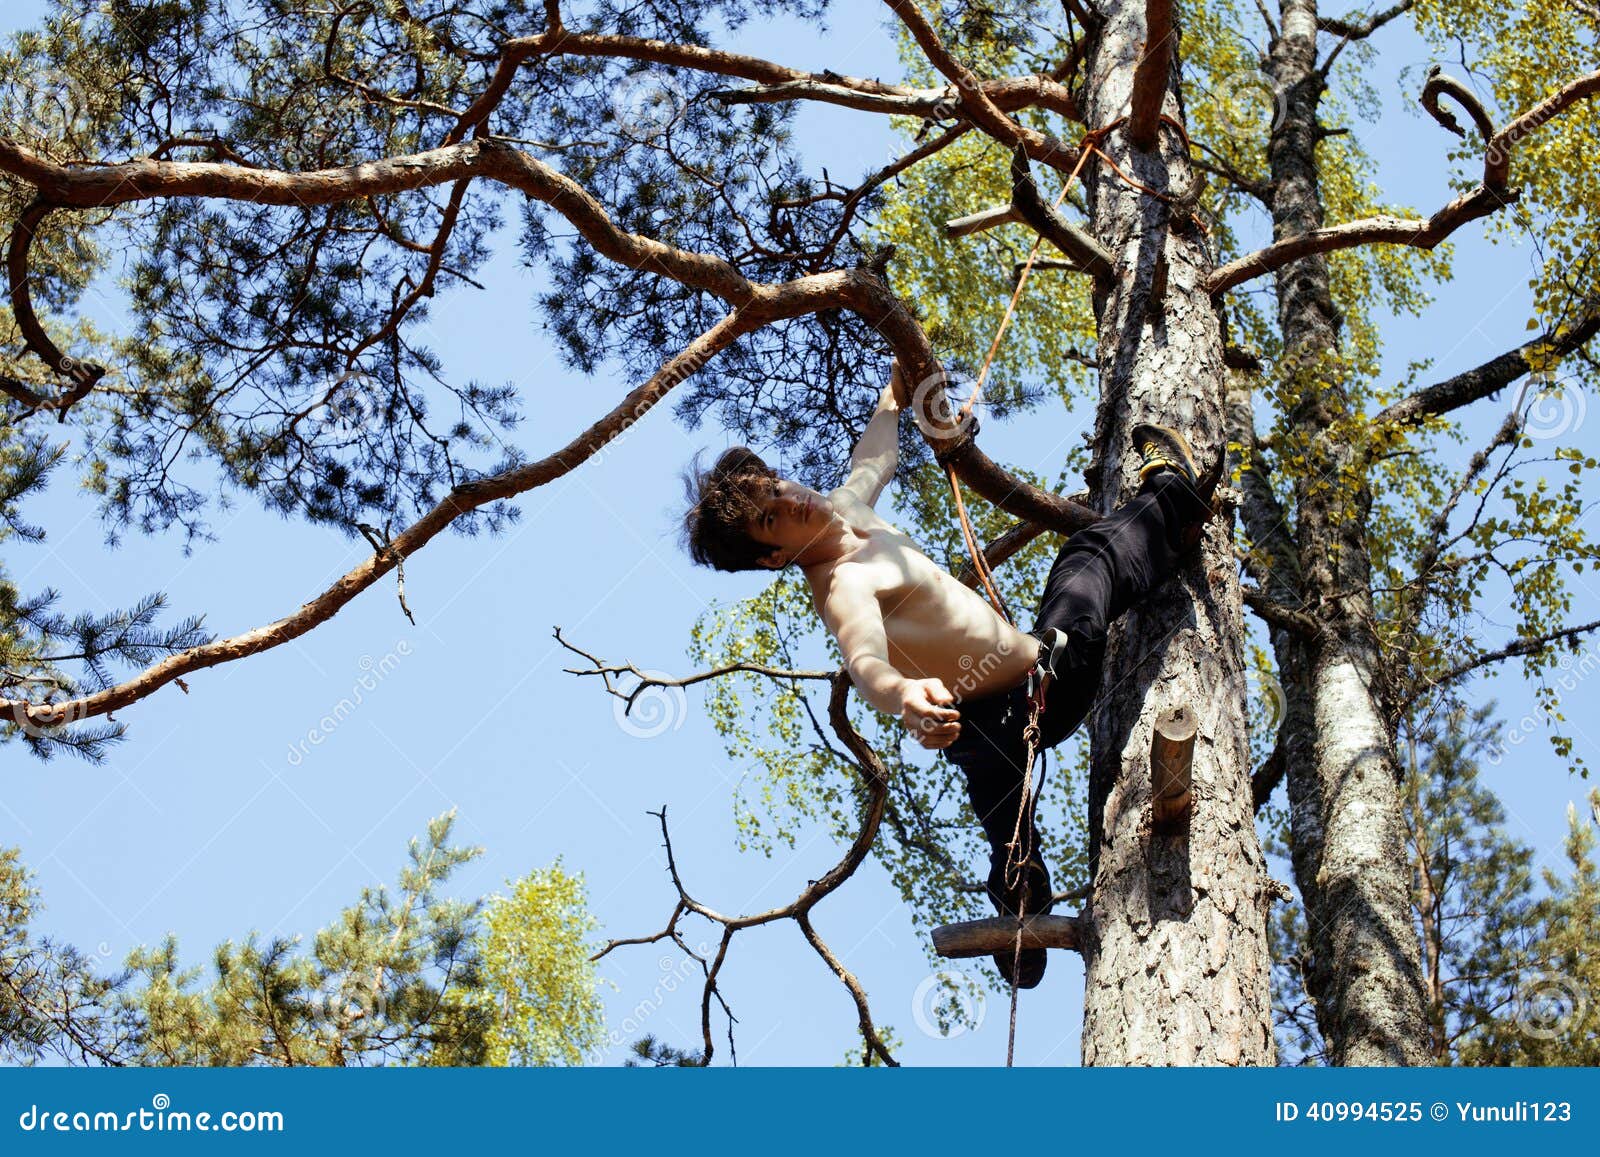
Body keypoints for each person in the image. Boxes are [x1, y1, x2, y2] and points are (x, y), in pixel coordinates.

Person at [681, 361, 1217, 988]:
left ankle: (1021, 895)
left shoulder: (849, 512)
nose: (793, 498)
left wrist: (894, 393)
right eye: (774, 517)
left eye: (777, 486)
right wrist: (904, 694)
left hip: (1019, 692)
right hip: (1024, 700)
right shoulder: (842, 586)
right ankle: (1173, 497)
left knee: (1001, 799)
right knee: (1087, 560)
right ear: (774, 556)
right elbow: (865, 663)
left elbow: (873, 459)